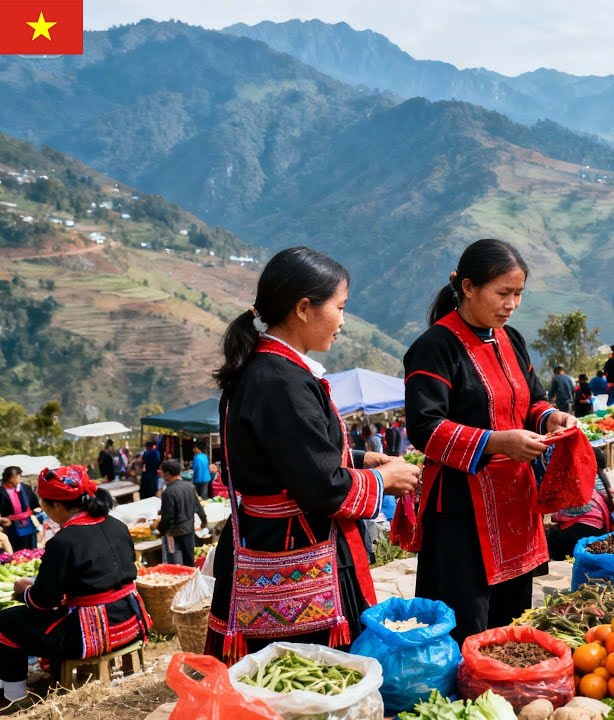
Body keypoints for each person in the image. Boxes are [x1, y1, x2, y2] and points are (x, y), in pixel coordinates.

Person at [206, 247, 420, 661]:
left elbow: (286, 456)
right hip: (294, 547)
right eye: (340, 307)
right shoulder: (281, 382)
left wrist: (361, 460)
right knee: (313, 676)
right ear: (304, 308)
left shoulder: (264, 368)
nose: (343, 320)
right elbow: (321, 488)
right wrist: (383, 481)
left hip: (266, 539)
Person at [404, 238, 578, 642]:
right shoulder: (435, 348)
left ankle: (504, 674)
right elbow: (424, 427)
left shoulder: (510, 339)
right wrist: (497, 443)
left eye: (518, 293)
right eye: (503, 293)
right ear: (468, 287)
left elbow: (531, 399)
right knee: (466, 618)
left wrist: (550, 416)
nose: (511, 304)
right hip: (461, 509)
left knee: (512, 614)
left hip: (515, 499)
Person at [0, 466, 150, 709]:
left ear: (58, 505)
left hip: (96, 632)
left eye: (44, 504)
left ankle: (14, 697)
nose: (44, 509)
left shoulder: (64, 541)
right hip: (132, 621)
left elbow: (42, 602)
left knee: (7, 620)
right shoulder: (116, 525)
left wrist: (24, 590)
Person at [546, 447, 614, 560]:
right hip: (599, 530)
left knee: (549, 539)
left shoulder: (574, 478)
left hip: (584, 533)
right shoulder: (599, 478)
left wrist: (553, 520)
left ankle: (563, 559)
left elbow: (565, 514)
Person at [152, 459, 206, 567]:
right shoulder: (190, 486)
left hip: (174, 534)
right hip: (189, 530)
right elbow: (198, 507)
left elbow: (168, 517)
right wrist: (204, 521)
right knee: (189, 562)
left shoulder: (168, 492)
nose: (161, 474)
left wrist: (160, 531)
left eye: (161, 472)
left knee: (175, 565)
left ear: (167, 474)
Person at [0, 467, 40, 552]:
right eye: (16, 476)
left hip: (28, 524)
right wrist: (2, 519)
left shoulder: (26, 488)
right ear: (9, 478)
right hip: (10, 526)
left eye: (19, 475)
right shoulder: (1, 491)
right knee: (14, 551)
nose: (18, 478)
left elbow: (35, 505)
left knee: (30, 550)